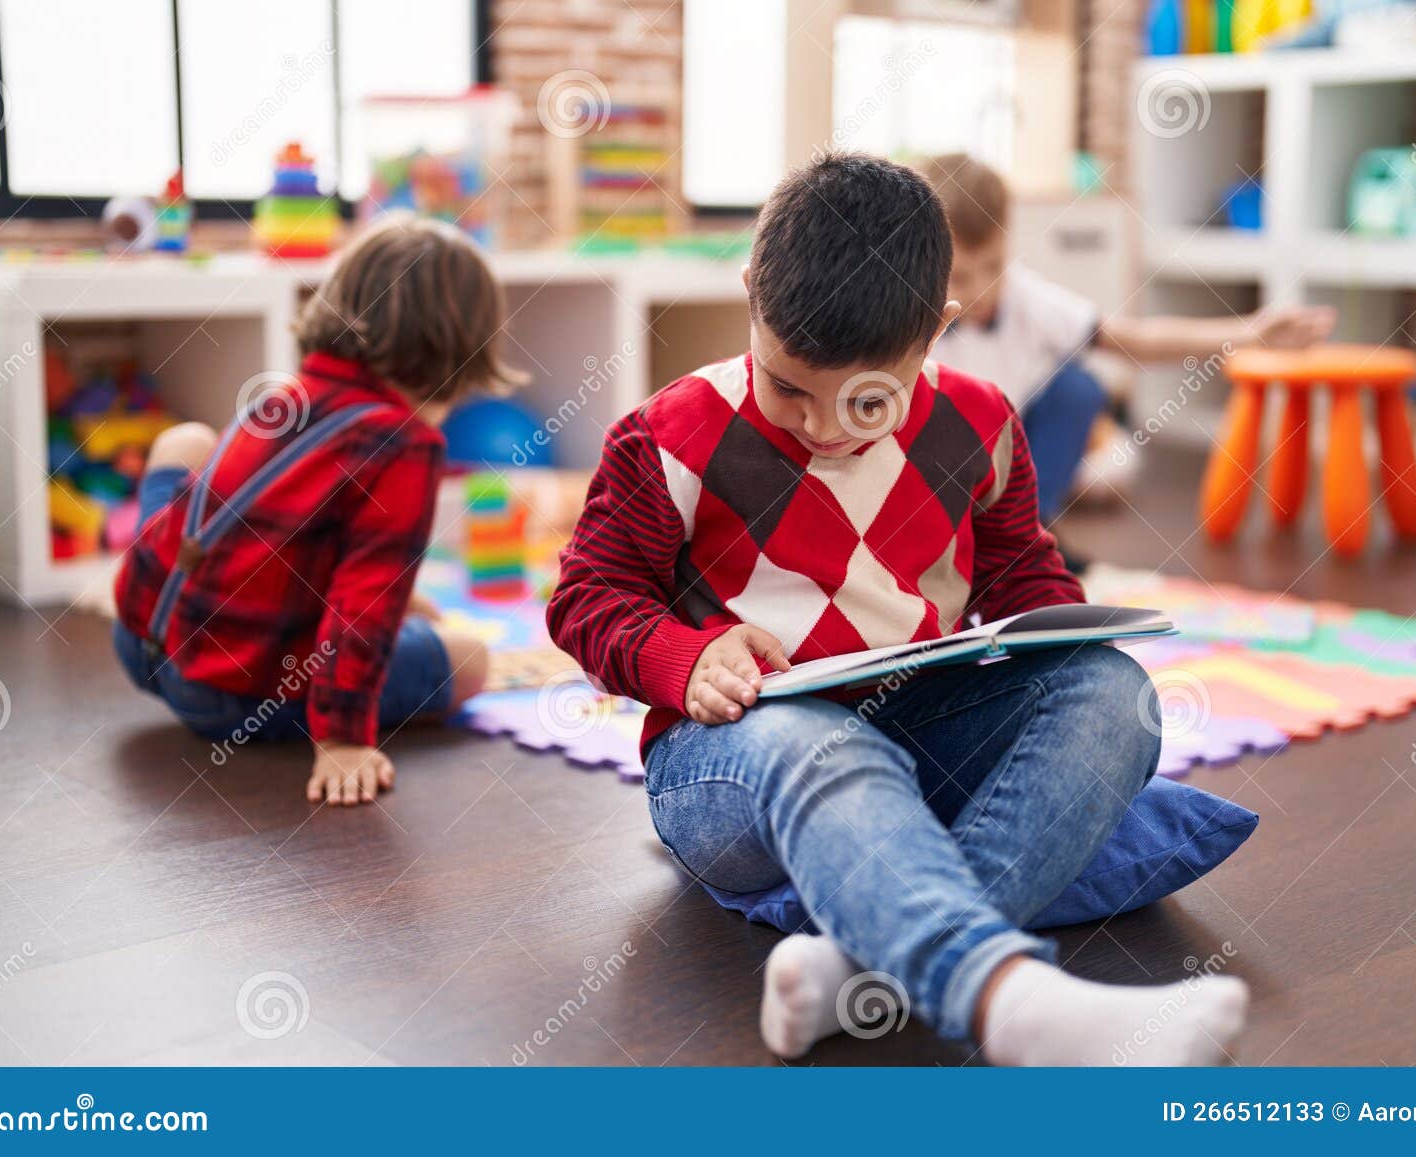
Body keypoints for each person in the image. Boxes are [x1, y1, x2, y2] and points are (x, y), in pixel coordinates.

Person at [547, 154, 1247, 1063]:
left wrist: (1054, 635)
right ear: (753, 294)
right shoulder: (668, 435)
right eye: (790, 386)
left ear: (938, 328)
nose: (824, 427)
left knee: (1115, 694)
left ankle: (863, 968)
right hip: (733, 764)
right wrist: (686, 656)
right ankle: (1008, 1000)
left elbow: (1022, 576)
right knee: (818, 743)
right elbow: (587, 596)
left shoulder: (984, 423)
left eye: (866, 398)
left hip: (915, 733)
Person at [113, 217, 508, 806]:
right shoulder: (405, 446)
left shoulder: (289, 392)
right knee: (471, 660)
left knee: (187, 443)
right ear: (459, 353)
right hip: (228, 698)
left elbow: (291, 538)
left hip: (142, 640)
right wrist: (343, 741)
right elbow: (362, 610)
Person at [919, 153, 1336, 523]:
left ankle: (1024, 531)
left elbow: (1137, 340)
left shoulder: (1027, 299)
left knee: (1079, 389)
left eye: (995, 266)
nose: (981, 289)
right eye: (960, 276)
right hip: (937, 462)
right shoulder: (913, 312)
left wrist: (1250, 332)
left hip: (1005, 453)